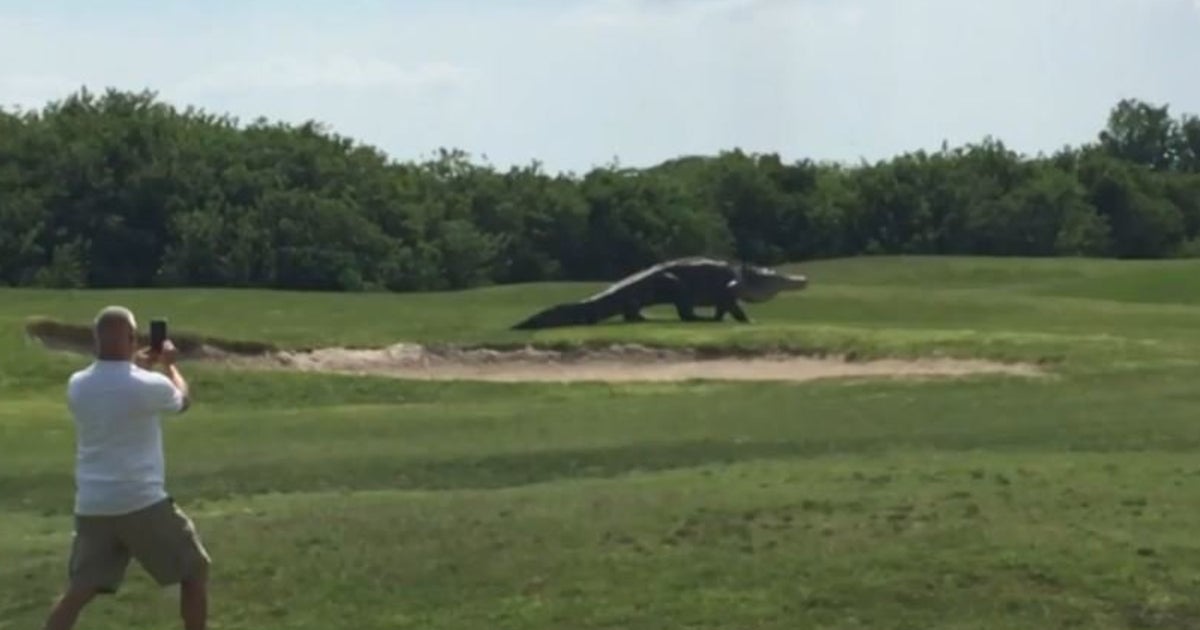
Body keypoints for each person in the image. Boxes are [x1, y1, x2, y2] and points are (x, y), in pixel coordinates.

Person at [42, 306, 209, 630]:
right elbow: (182, 401)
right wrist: (170, 367)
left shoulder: (77, 384)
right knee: (194, 570)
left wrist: (141, 367)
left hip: (92, 504)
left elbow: (115, 385)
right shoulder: (148, 385)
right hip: (140, 501)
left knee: (79, 590)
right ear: (132, 339)